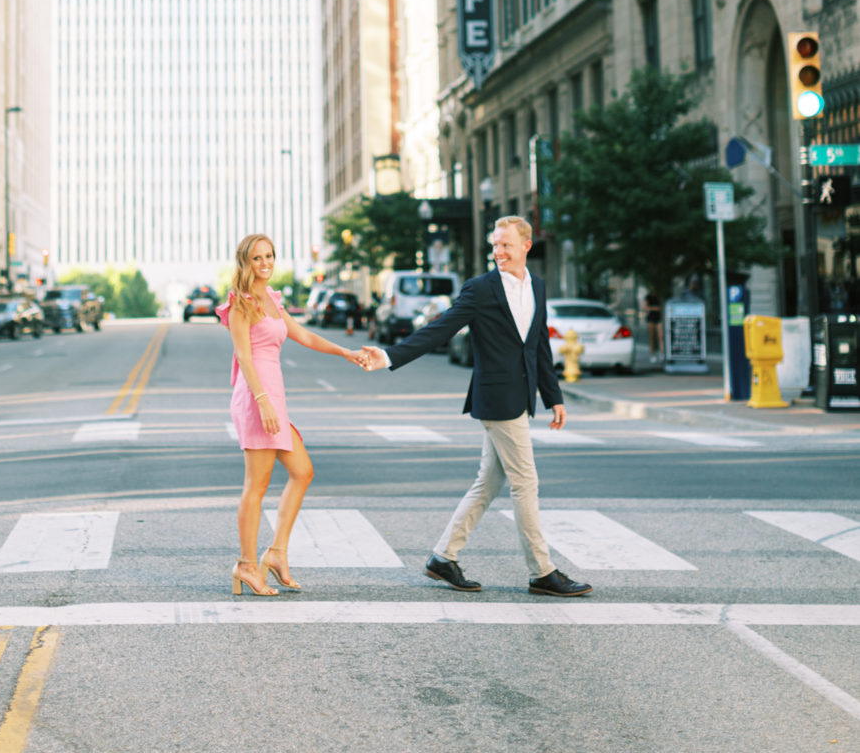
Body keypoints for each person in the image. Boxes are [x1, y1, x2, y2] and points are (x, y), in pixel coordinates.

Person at [362, 215, 591, 598]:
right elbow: (442, 327)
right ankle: (542, 571)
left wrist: (554, 397)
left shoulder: (537, 285)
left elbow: (538, 346)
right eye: (494, 245)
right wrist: (388, 356)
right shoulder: (480, 289)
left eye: (506, 245)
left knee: (488, 483)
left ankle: (443, 558)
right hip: (497, 398)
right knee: (526, 483)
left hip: (522, 396)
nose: (498, 252)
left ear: (526, 246)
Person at [220, 232, 368, 596]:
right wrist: (263, 401)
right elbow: (243, 356)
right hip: (257, 400)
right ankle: (246, 564)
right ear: (245, 262)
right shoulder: (241, 303)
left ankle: (276, 553)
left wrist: (345, 352)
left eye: (269, 255)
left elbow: (305, 336)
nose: (265, 262)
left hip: (274, 399)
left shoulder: (272, 299)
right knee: (256, 485)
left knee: (302, 472)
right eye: (257, 258)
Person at [644, 290, 663, 363]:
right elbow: (645, 307)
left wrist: (651, 308)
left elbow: (660, 307)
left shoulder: (659, 297)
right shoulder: (648, 297)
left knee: (660, 336)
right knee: (652, 336)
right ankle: (653, 354)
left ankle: (662, 354)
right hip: (651, 318)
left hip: (658, 318)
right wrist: (655, 308)